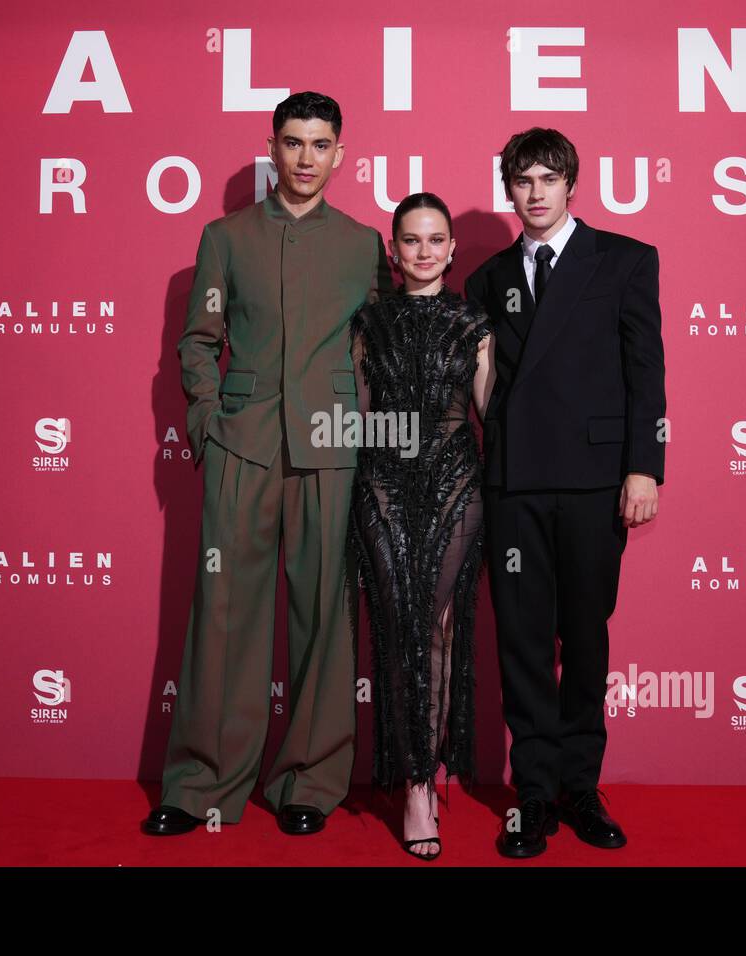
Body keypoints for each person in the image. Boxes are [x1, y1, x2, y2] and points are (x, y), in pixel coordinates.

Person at [143, 92, 390, 837]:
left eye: (320, 144)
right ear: (272, 149)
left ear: (340, 155)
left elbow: (372, 347)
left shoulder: (364, 243)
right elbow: (197, 342)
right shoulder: (224, 235)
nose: (306, 158)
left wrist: (366, 427)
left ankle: (310, 781)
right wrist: (208, 423)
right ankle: (199, 787)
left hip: (332, 448)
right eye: (293, 142)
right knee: (222, 618)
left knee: (326, 618)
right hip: (242, 447)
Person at [464, 128, 666, 859]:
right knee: (520, 640)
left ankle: (582, 784)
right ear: (509, 189)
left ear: (572, 184)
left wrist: (645, 466)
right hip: (515, 478)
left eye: (550, 178)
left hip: (592, 479)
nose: (537, 192)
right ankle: (535, 794)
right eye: (524, 181)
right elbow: (486, 386)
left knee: (584, 635)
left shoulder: (623, 260)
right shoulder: (487, 279)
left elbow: (648, 371)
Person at [349, 193, 494, 859]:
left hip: (457, 488)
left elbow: (489, 416)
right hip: (382, 487)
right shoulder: (368, 324)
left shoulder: (475, 323)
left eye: (436, 239)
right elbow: (362, 418)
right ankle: (411, 780)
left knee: (437, 631)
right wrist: (383, 474)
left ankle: (423, 782)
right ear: (394, 248)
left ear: (452, 249)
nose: (425, 251)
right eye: (412, 240)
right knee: (399, 626)